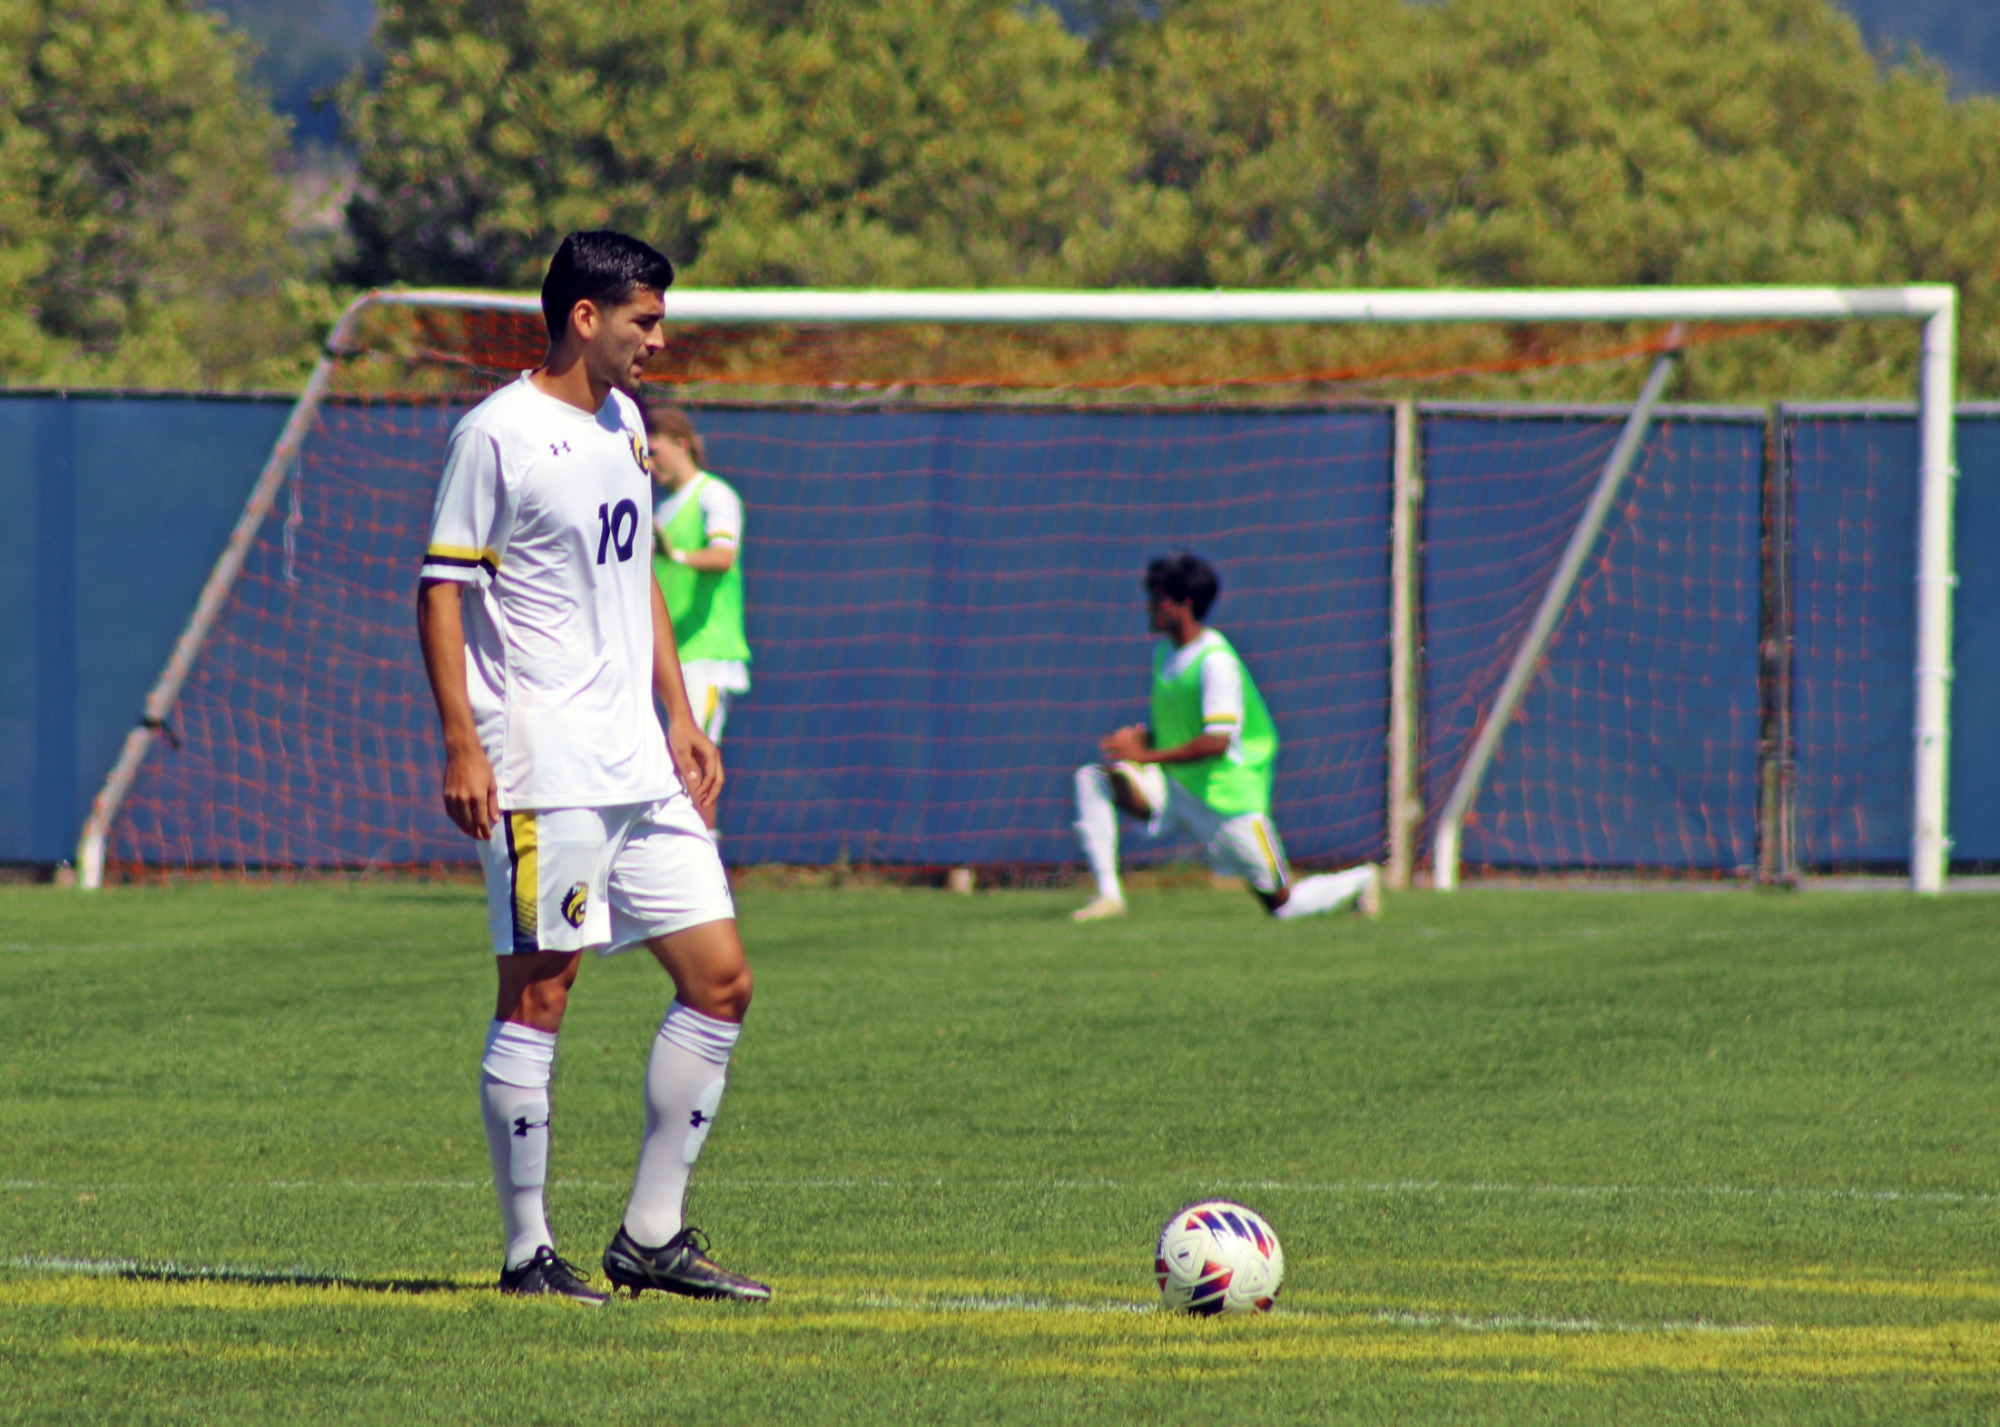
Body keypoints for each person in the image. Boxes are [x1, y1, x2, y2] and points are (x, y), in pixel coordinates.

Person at [416, 230, 769, 1304]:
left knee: (721, 981)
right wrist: (463, 742)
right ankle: (527, 1254)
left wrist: (678, 715)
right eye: (643, 320)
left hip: (640, 764)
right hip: (544, 766)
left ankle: (650, 1236)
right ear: (584, 316)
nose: (657, 340)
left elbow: (637, 577)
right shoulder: (497, 435)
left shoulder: (622, 422)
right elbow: (439, 591)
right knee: (541, 996)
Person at [1071, 551, 1382, 924]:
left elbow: (1217, 743)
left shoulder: (1217, 662)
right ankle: (1109, 895)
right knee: (1094, 780)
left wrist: (1145, 756)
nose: (1149, 608)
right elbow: (1182, 730)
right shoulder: (1165, 654)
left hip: (1227, 800)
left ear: (1184, 605)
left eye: (1158, 600)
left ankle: (1362, 879)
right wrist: (1142, 741)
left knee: (1285, 908)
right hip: (1175, 788)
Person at [645, 404, 750, 832]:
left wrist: (679, 555)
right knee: (666, 771)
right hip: (668, 662)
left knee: (693, 764)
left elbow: (724, 556)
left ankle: (706, 877)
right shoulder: (663, 509)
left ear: (680, 444)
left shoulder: (713, 494)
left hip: (705, 655)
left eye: (656, 452)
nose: (650, 464)